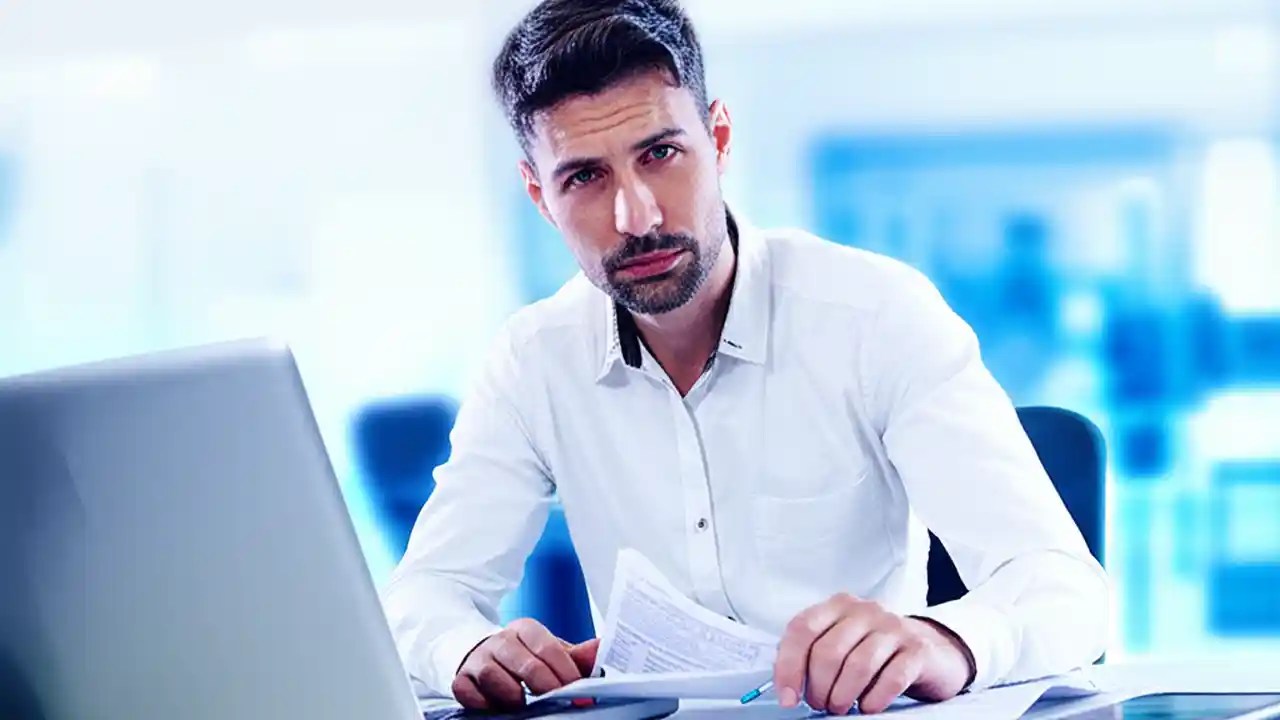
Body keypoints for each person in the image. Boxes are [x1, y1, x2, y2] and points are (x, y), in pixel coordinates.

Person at [382, 0, 1110, 714]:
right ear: (541, 195)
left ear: (719, 140)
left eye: (660, 154)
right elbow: (424, 594)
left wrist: (942, 641)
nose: (637, 216)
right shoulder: (533, 361)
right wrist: (465, 650)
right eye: (585, 178)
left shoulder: (876, 315)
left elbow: (1066, 591)